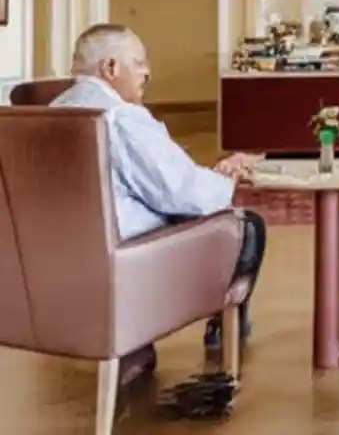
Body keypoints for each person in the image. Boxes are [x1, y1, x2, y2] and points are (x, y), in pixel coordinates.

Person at [50, 24, 267, 383]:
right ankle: (222, 329)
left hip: (58, 258)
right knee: (248, 226)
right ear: (111, 67)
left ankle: (134, 345)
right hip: (125, 253)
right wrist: (227, 174)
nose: (147, 72)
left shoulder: (51, 111)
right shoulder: (120, 117)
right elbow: (183, 194)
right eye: (139, 62)